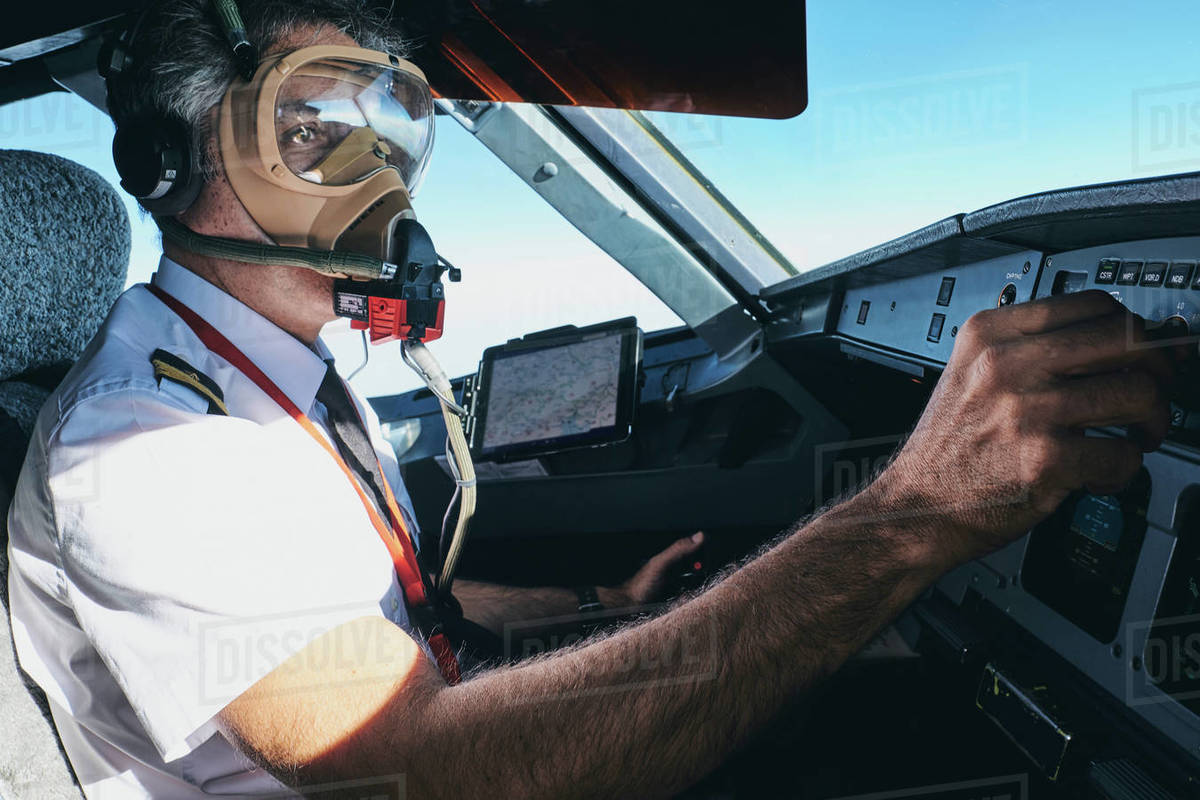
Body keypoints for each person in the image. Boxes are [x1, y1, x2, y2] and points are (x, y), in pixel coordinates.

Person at [6, 1, 1174, 798]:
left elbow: (371, 612)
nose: (380, 167)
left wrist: (596, 595)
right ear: (175, 156)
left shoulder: (261, 368)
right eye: (318, 124)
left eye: (391, 121)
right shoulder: (148, 445)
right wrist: (912, 516)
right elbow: (419, 770)